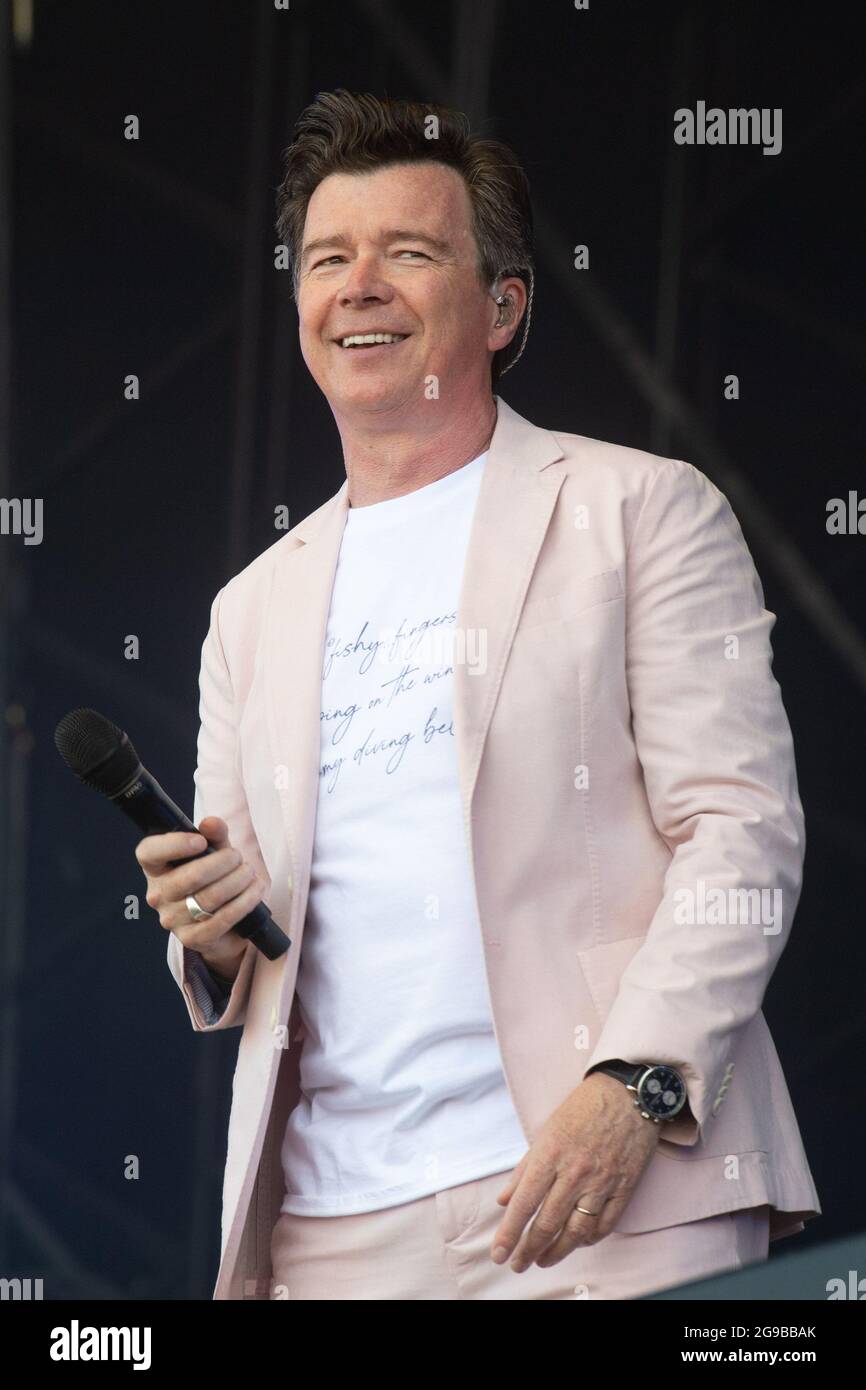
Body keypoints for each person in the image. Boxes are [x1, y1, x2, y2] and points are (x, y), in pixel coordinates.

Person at [135, 89, 820, 1300]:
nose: (358, 285)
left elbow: (742, 835)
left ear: (502, 306)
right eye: (329, 259)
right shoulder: (249, 610)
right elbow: (242, 937)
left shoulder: (638, 512)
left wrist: (636, 1086)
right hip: (332, 1228)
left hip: (604, 1192)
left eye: (408, 252)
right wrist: (204, 926)